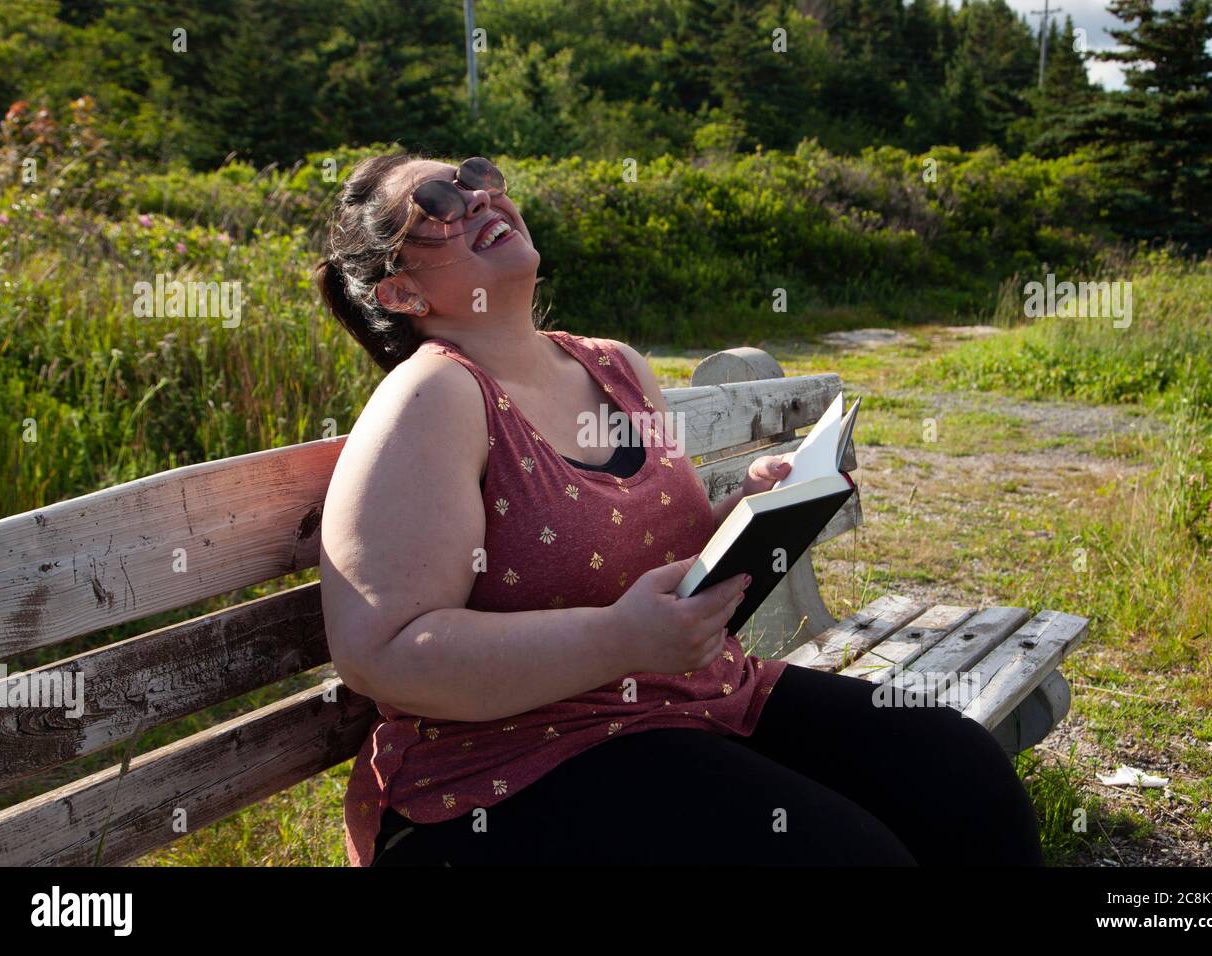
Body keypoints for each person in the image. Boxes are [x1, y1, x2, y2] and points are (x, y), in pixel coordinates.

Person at [314, 151, 1044, 867]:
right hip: (509, 764)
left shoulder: (613, 366)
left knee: (963, 777)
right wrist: (614, 641)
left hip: (701, 698)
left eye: (477, 175)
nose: (476, 197)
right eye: (436, 203)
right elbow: (380, 653)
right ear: (401, 293)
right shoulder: (432, 399)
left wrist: (758, 511)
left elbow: (641, 557)